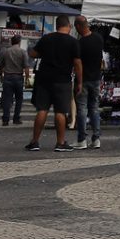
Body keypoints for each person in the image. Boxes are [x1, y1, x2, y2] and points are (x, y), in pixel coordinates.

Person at [26, 14, 83, 152]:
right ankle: (60, 142)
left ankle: (34, 142)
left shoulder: (46, 39)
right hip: (62, 81)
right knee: (60, 112)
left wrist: (44, 54)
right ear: (68, 26)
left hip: (44, 79)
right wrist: (80, 82)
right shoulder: (72, 42)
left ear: (57, 26)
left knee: (42, 110)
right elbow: (77, 63)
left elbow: (33, 54)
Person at [73, 17, 104, 149]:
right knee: (94, 109)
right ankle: (96, 138)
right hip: (96, 78)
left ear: (79, 26)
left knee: (82, 110)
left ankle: (82, 139)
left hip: (84, 79)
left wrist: (79, 82)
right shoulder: (98, 38)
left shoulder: (79, 43)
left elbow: (78, 64)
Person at [0, 31, 30, 125]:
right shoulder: (23, 52)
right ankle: (16, 118)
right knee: (19, 99)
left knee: (7, 99)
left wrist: (1, 76)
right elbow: (26, 66)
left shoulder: (6, 52)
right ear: (19, 42)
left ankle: (5, 119)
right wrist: (27, 78)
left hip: (7, 77)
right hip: (18, 77)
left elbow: (1, 65)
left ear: (11, 42)